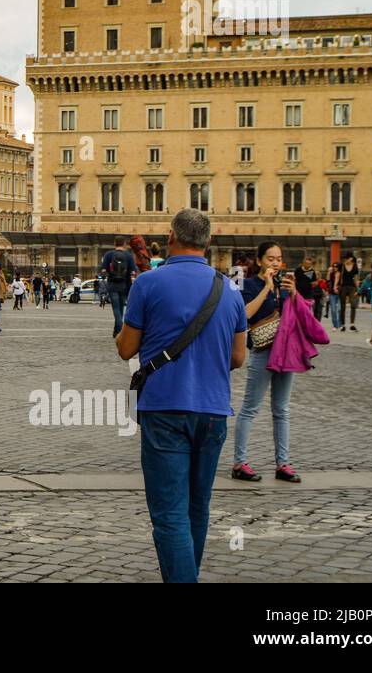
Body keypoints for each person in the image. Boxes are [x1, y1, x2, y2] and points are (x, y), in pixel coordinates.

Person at [117, 209, 248, 584]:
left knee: (169, 513)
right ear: (208, 241)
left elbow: (127, 349)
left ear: (171, 236)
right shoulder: (229, 290)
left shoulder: (148, 284)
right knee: (196, 507)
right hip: (213, 410)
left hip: (164, 409)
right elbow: (238, 357)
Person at [231, 241, 303, 483]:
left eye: (278, 258)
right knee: (250, 408)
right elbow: (245, 314)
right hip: (262, 352)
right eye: (270, 258)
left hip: (286, 353)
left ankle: (283, 464)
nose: (275, 262)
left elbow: (300, 316)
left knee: (282, 410)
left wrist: (293, 294)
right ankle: (239, 462)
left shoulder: (285, 287)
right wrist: (267, 288)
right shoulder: (249, 285)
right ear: (260, 260)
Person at [100, 236, 137, 336]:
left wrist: (107, 273)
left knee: (116, 308)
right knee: (121, 307)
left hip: (112, 284)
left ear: (115, 243)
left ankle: (119, 328)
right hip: (124, 285)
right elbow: (133, 272)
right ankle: (117, 330)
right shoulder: (128, 255)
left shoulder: (109, 254)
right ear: (124, 244)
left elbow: (103, 270)